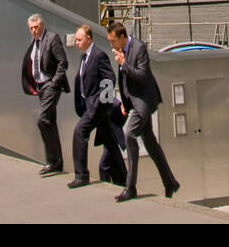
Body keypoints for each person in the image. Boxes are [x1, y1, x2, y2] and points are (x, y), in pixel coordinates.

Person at [107, 21, 180, 203]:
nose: (112, 45)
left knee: (129, 135)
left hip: (144, 100)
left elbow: (140, 76)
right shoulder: (121, 50)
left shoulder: (139, 48)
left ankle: (130, 187)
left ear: (123, 37)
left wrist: (124, 63)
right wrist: (125, 102)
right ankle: (170, 182)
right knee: (150, 143)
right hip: (134, 101)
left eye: (113, 40)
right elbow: (123, 81)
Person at [68, 24, 127, 189]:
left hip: (97, 106)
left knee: (80, 132)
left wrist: (102, 103)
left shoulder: (98, 55)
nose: (77, 43)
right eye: (76, 40)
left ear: (88, 39)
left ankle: (81, 175)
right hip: (89, 106)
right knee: (109, 140)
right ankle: (124, 178)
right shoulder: (84, 57)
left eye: (79, 40)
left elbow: (110, 78)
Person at [20, 13, 69, 176]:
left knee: (42, 120)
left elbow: (63, 62)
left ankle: (51, 160)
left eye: (36, 28)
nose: (34, 31)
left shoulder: (52, 38)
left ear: (42, 26)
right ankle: (58, 162)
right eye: (31, 28)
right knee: (50, 122)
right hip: (40, 86)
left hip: (50, 84)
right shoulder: (33, 42)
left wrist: (55, 82)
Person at [98, 99, 128, 186]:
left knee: (104, 164)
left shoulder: (115, 106)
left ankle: (105, 186)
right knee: (110, 163)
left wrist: (120, 106)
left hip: (111, 133)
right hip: (107, 133)